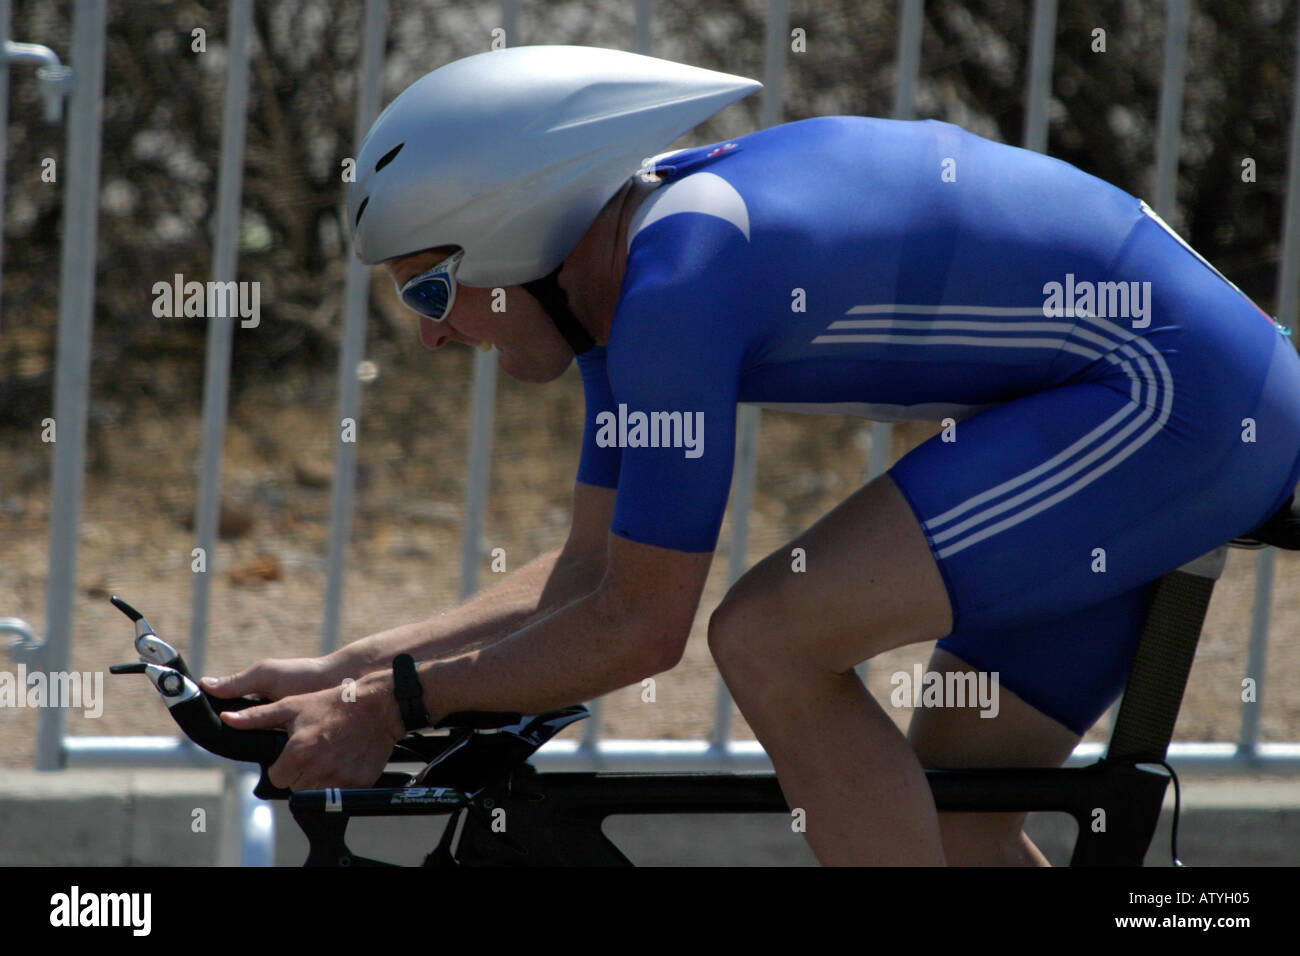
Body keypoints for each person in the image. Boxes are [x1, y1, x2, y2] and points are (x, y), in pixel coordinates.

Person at [204, 44, 1300, 865]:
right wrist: (348, 671)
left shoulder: (677, 284)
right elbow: (589, 574)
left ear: (515, 226)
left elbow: (643, 628)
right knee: (956, 827)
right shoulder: (617, 280)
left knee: (769, 636)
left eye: (432, 289)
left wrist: (390, 705)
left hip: (1172, 396)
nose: (433, 336)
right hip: (1148, 392)